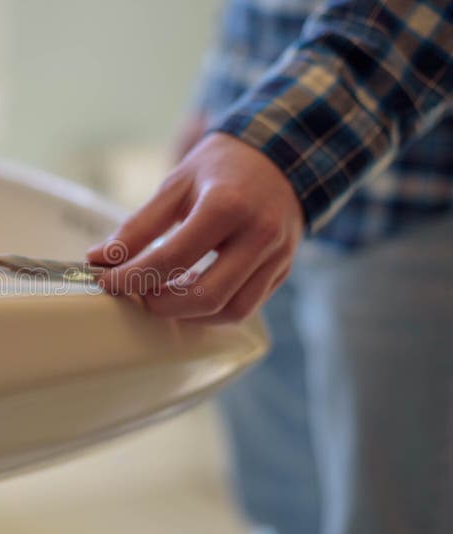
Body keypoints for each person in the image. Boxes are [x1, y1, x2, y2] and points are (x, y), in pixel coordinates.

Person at [86, 1, 453, 533]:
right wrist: (216, 100)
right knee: (277, 506)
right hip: (252, 175)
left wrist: (280, 146)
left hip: (406, 207)